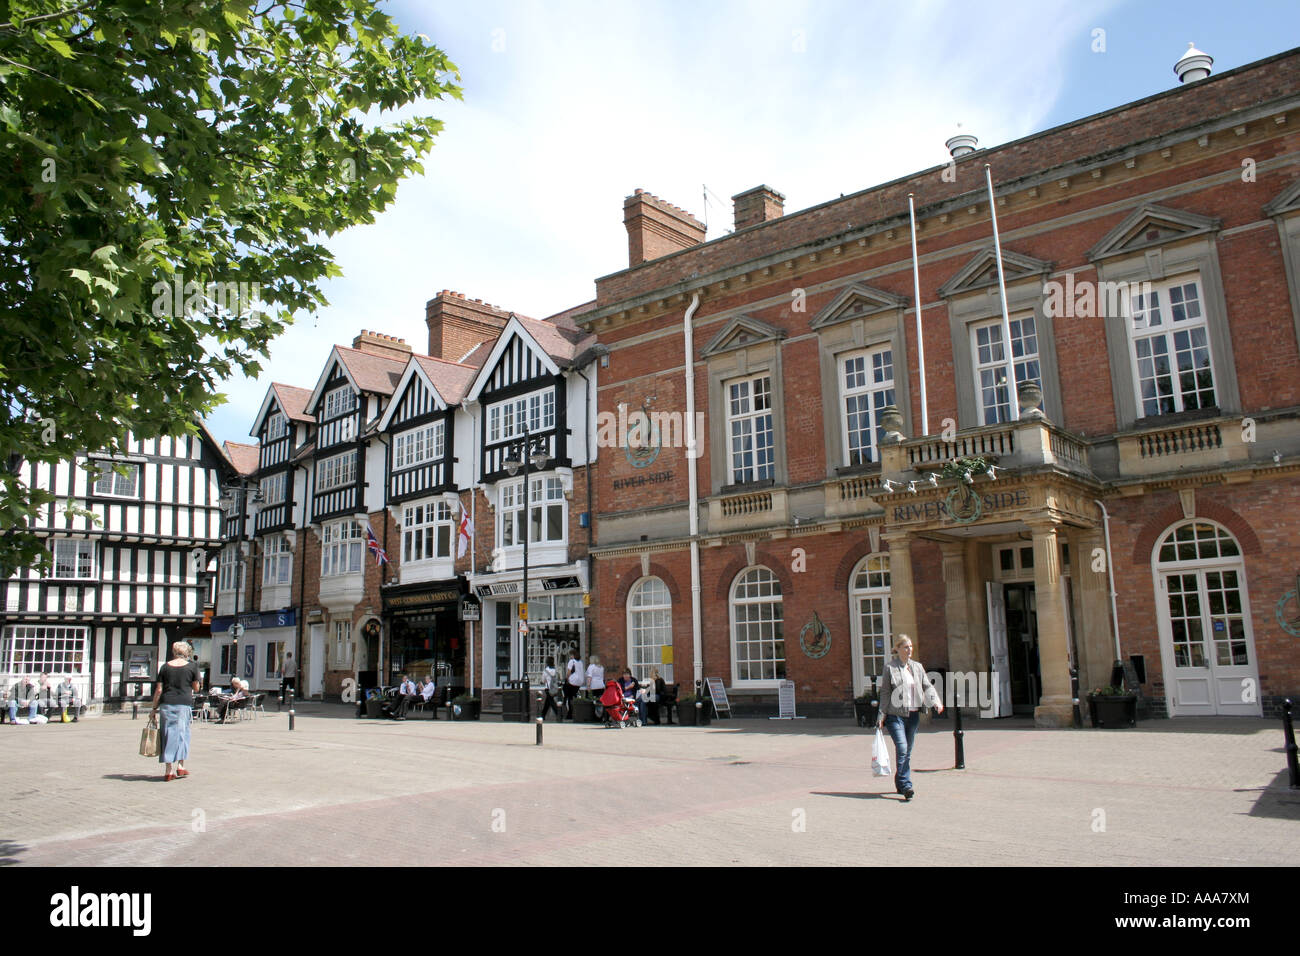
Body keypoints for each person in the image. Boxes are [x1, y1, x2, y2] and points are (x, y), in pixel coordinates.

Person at [876, 634, 943, 801]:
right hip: (895, 715)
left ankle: (900, 781)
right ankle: (906, 784)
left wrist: (936, 702)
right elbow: (885, 693)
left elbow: (927, 686)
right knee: (903, 748)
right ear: (897, 649)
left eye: (911, 647)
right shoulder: (890, 668)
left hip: (912, 715)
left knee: (907, 751)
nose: (909, 650)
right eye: (906, 647)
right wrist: (881, 715)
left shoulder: (917, 667)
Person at [150, 641, 201, 781]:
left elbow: (159, 690)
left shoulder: (165, 667)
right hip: (183, 703)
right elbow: (196, 688)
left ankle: (168, 770)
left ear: (174, 652)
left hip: (166, 703)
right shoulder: (192, 666)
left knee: (167, 734)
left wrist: (154, 709)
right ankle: (180, 766)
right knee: (182, 734)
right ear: (187, 652)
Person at [563, 650, 584, 720]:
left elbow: (568, 672)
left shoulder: (571, 661)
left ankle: (569, 713)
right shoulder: (580, 662)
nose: (570, 656)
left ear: (572, 655)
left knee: (569, 697)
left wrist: (566, 679)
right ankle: (575, 712)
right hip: (579, 682)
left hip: (573, 681)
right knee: (573, 696)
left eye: (570, 655)